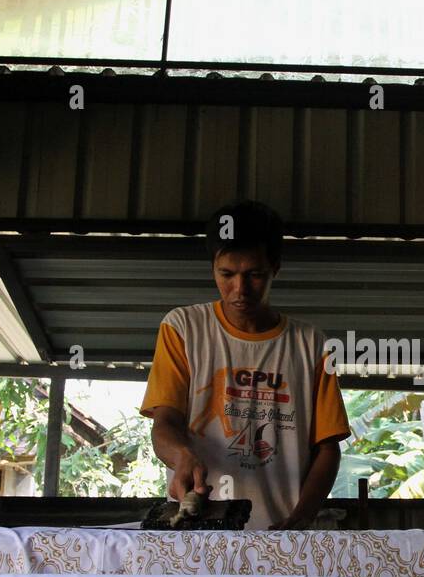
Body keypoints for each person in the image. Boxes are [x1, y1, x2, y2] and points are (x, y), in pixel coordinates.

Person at [139, 200, 350, 530]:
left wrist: (303, 516)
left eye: (254, 275)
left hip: (283, 535)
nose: (240, 289)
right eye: (227, 274)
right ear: (213, 267)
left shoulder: (312, 344)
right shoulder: (182, 328)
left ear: (275, 268)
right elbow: (165, 421)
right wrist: (181, 456)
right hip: (202, 531)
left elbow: (327, 448)